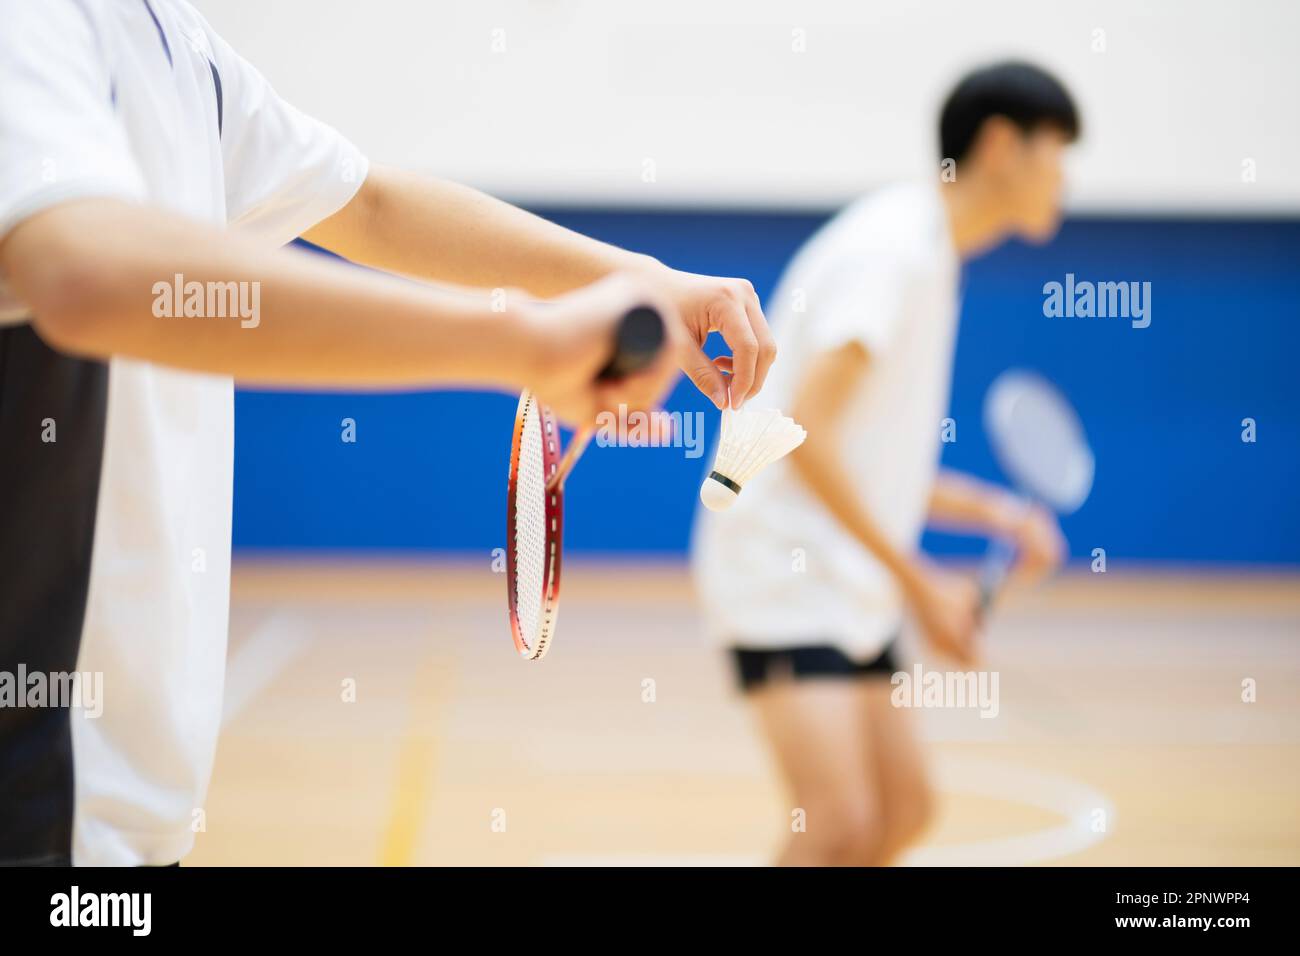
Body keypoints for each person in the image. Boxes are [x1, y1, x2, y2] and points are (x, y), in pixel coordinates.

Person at [0, 0, 775, 866]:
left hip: (127, 813)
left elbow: (365, 205)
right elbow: (84, 272)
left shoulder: (175, 40)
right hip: (35, 801)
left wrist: (642, 275)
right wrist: (520, 342)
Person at [691, 61, 1078, 866]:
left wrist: (997, 516)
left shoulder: (932, 256)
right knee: (836, 824)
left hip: (841, 576)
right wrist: (923, 587)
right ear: (1001, 145)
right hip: (784, 574)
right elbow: (804, 437)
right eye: (1056, 150)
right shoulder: (893, 252)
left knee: (901, 809)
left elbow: (876, 466)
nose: (1065, 178)